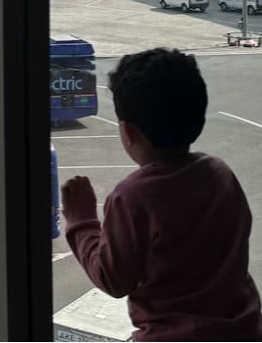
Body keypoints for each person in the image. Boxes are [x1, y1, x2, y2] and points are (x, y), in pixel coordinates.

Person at [61, 47, 262, 341]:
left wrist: (82, 221)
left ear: (128, 132)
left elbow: (113, 279)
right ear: (200, 118)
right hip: (244, 331)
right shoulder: (219, 173)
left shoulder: (132, 196)